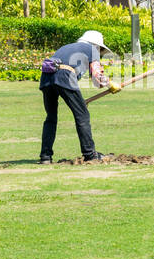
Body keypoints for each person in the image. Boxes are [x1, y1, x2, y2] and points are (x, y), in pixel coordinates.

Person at [39, 29, 119, 164]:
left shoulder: (66, 47)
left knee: (51, 118)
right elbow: (97, 77)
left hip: (46, 77)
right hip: (65, 75)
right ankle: (90, 154)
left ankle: (45, 157)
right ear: (97, 45)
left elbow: (93, 82)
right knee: (83, 116)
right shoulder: (92, 50)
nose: (99, 53)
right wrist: (110, 84)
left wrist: (80, 101)